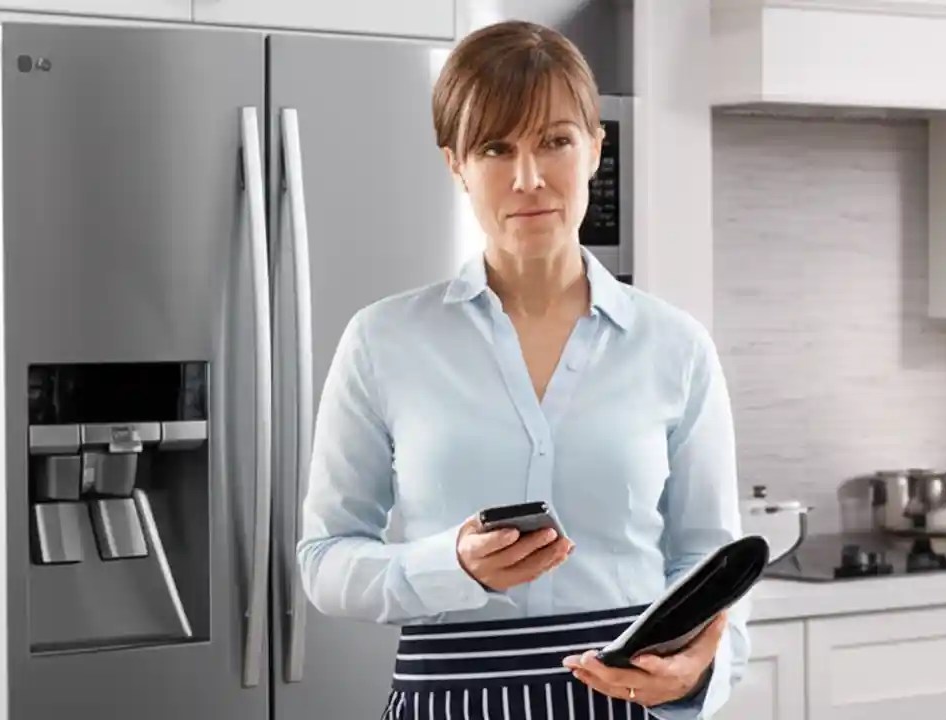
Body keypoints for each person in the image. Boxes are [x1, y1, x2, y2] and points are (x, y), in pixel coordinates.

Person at [296, 19, 749, 720]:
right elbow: (324, 561)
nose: (529, 177)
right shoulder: (382, 341)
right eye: (496, 147)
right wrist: (452, 566)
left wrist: (697, 671)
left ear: (596, 148)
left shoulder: (676, 346)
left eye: (555, 141)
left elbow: (710, 563)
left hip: (623, 704)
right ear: (456, 164)